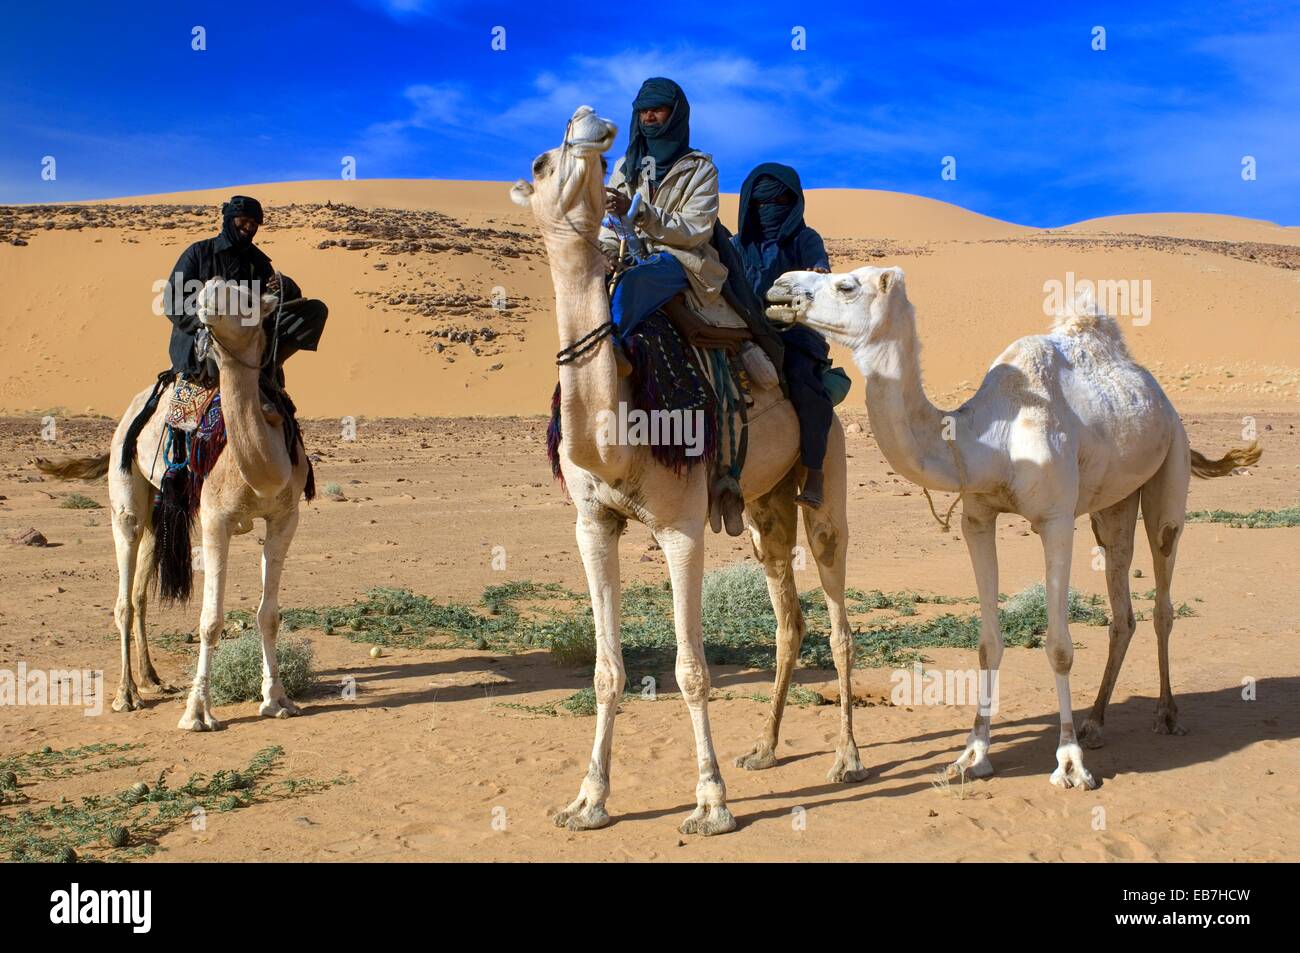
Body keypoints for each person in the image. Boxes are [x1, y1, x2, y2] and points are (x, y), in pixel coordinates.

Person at [599, 78, 755, 533]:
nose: (649, 118)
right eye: (643, 111)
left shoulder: (699, 169)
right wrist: (605, 249)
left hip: (681, 262)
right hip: (629, 258)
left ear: (675, 114)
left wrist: (642, 215)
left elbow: (696, 228)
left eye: (658, 111)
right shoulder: (626, 167)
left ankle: (612, 354)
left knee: (632, 290)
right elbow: (610, 224)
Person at [733, 163, 834, 508]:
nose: (770, 210)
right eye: (762, 204)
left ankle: (815, 471)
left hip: (792, 332)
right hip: (741, 332)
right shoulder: (735, 246)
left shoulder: (805, 239)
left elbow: (818, 275)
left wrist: (816, 275)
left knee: (806, 386)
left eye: (779, 202)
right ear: (750, 204)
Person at [162, 195, 328, 406]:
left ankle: (268, 368)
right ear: (230, 218)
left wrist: (287, 287)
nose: (249, 226)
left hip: (251, 340)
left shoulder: (259, 263)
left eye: (254, 223)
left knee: (315, 311)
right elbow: (173, 300)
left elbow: (274, 307)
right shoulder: (199, 253)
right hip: (207, 339)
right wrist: (205, 319)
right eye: (244, 220)